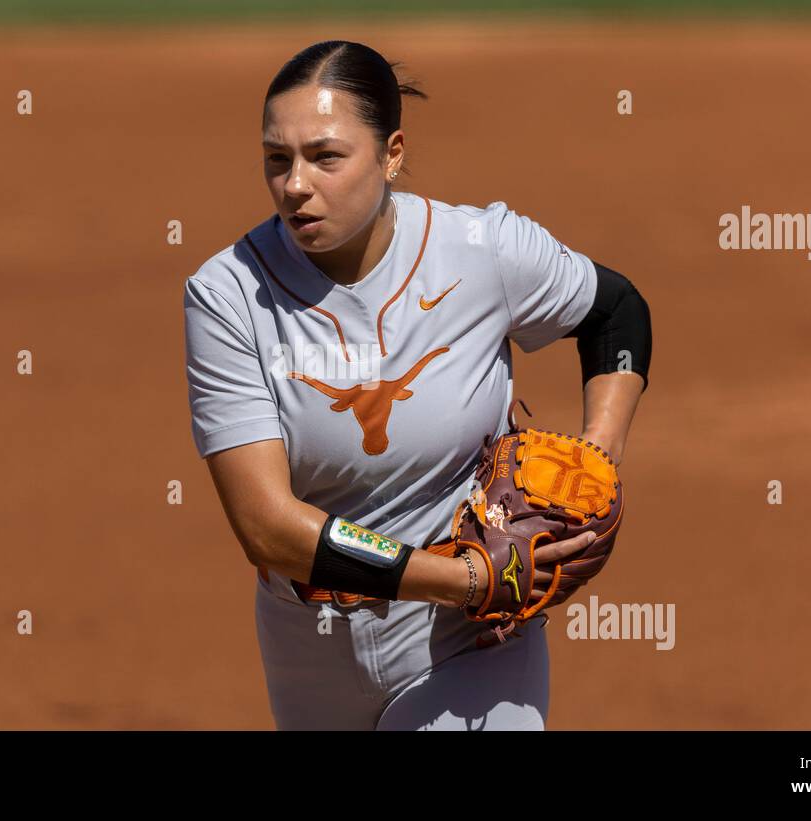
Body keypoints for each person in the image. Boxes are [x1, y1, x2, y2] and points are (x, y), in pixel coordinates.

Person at [183, 40, 651, 730]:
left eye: (326, 156)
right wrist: (468, 578)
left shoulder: (481, 250)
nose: (295, 185)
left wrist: (595, 459)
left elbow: (615, 311)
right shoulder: (227, 295)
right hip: (309, 648)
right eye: (277, 159)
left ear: (392, 153)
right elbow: (266, 526)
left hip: (469, 644)